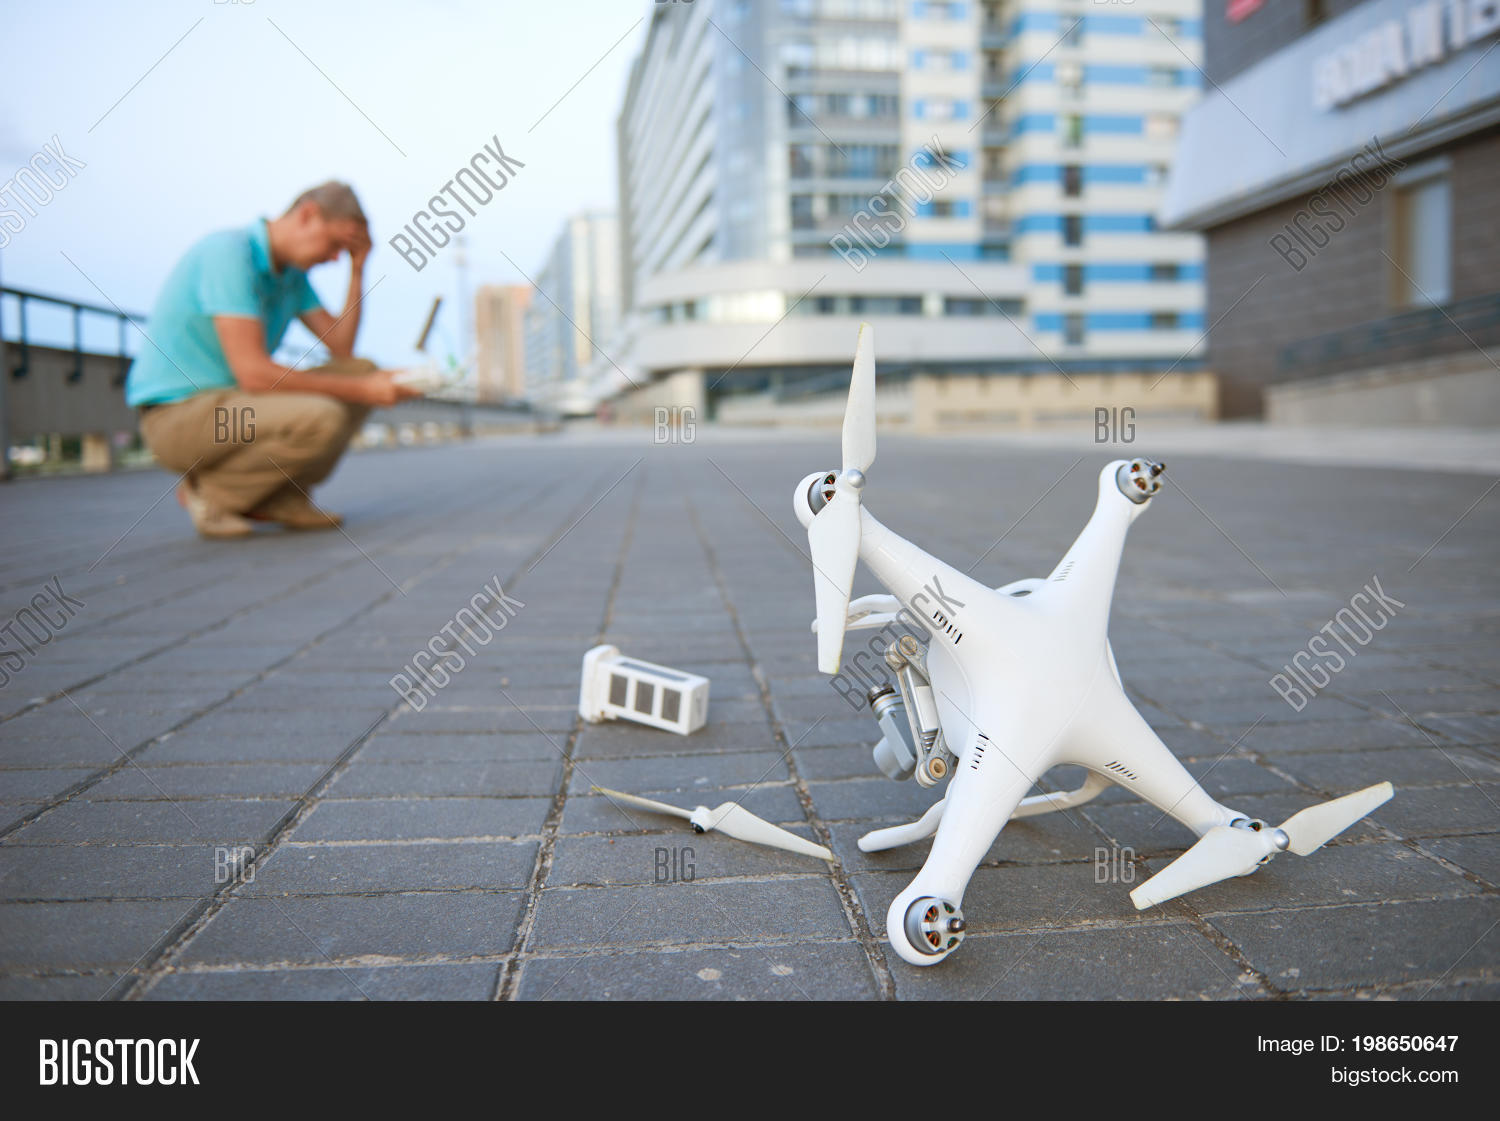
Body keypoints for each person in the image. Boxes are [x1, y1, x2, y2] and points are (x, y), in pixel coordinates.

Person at [125, 182, 421, 539]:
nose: (334, 259)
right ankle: (212, 496)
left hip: (234, 409)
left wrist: (358, 271)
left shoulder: (292, 277)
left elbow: (342, 348)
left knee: (362, 370)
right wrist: (365, 390)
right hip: (179, 417)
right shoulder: (229, 255)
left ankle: (280, 497)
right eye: (335, 245)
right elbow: (254, 375)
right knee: (322, 415)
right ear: (308, 215)